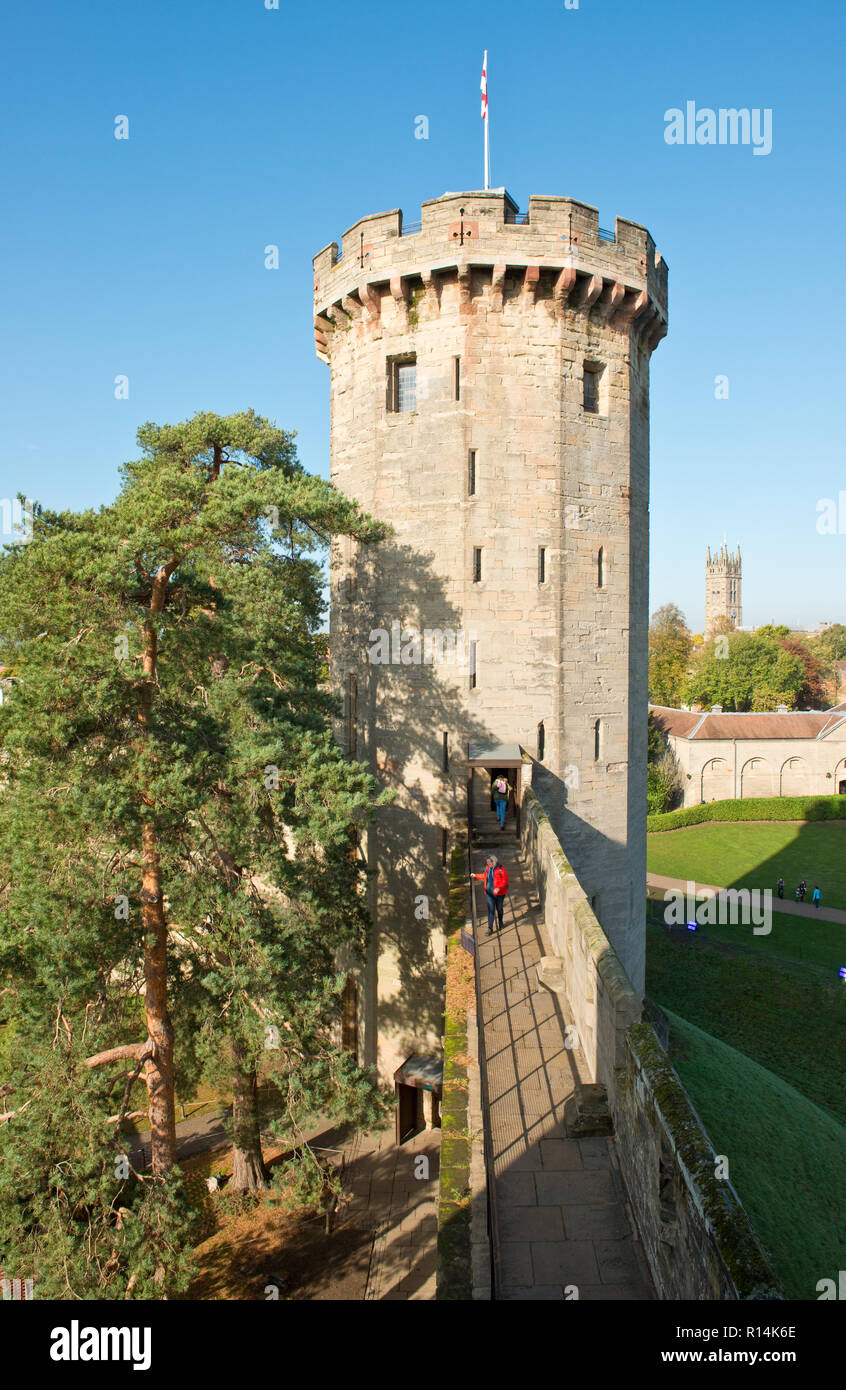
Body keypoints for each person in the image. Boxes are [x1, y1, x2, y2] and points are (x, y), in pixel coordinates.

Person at [471, 855, 509, 934]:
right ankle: (490, 928)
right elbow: (484, 876)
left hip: (500, 893)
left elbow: (505, 881)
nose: (487, 863)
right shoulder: (487, 868)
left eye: (489, 862)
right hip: (489, 893)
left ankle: (500, 922)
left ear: (493, 862)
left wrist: (498, 888)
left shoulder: (501, 869)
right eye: (487, 862)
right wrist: (475, 875)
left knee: (499, 909)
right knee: (491, 910)